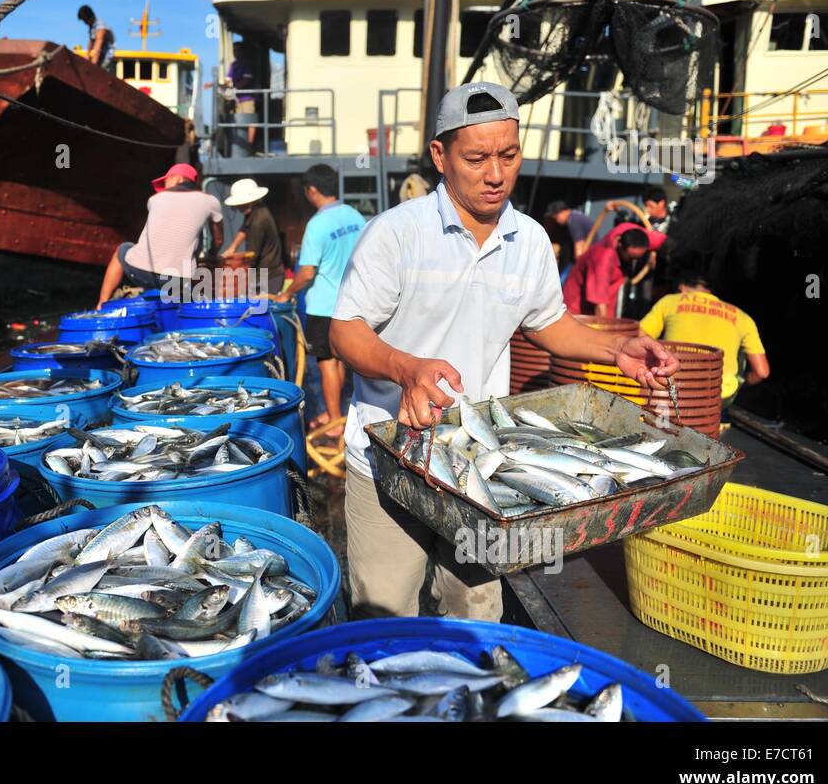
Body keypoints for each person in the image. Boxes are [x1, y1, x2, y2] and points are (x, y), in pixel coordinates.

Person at [330, 81, 679, 622]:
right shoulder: (396, 234)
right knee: (386, 618)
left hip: (480, 459)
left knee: (476, 614)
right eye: (477, 158)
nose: (496, 174)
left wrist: (618, 349)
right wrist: (406, 369)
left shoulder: (531, 239)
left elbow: (549, 324)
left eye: (509, 155)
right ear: (440, 156)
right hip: (389, 455)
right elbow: (345, 331)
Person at [272, 164, 365, 439]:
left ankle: (334, 422)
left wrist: (286, 294)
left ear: (312, 190)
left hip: (323, 306)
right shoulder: (356, 217)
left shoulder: (316, 225)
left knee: (326, 363)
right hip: (354, 301)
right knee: (345, 361)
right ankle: (342, 414)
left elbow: (307, 272)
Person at [96, 163, 222, 307]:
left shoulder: (155, 199)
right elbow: (218, 240)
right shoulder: (211, 201)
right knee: (194, 242)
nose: (164, 186)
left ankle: (101, 304)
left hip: (141, 273)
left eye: (166, 181)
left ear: (179, 179)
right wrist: (212, 254)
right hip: (179, 280)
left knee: (122, 250)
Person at [639, 272, 769, 405]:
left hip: (671, 385)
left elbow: (640, 338)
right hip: (716, 393)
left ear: (682, 288)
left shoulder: (670, 301)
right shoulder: (743, 317)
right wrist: (738, 383)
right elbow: (762, 372)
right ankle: (723, 414)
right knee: (739, 357)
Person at [561, 222, 666, 317]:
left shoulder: (636, 236)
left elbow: (662, 240)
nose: (634, 262)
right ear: (620, 245)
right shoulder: (603, 259)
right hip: (578, 310)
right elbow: (600, 305)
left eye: (638, 258)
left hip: (609, 302)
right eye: (631, 258)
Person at [221, 178, 285, 295]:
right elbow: (244, 228)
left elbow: (252, 255)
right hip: (269, 273)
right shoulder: (258, 209)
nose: (237, 208)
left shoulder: (257, 222)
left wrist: (231, 263)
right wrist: (233, 247)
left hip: (268, 276)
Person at [226, 41, 258, 151]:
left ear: (242, 51)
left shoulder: (247, 63)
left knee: (250, 121)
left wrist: (235, 88)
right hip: (237, 100)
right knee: (238, 122)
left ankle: (250, 145)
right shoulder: (233, 65)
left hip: (247, 98)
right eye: (234, 50)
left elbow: (247, 78)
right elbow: (228, 80)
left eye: (237, 50)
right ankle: (240, 147)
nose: (235, 52)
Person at [77, 5, 114, 72]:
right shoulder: (92, 26)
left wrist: (92, 67)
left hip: (106, 58)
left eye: (84, 20)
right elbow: (91, 41)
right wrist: (87, 54)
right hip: (100, 57)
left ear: (87, 18)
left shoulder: (100, 27)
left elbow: (98, 48)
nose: (84, 23)